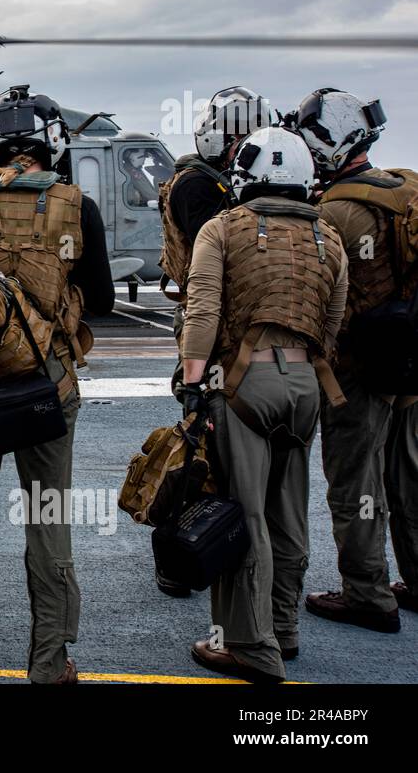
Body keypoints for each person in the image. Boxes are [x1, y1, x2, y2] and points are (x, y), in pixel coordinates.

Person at [0, 85, 114, 684]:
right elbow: (105, 301)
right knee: (48, 519)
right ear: (52, 143)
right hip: (47, 389)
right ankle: (49, 661)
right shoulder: (77, 206)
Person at [182, 127, 347, 683]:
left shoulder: (221, 228)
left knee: (242, 514)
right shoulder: (329, 236)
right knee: (290, 510)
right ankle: (285, 626)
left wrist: (191, 380)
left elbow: (202, 310)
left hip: (245, 384)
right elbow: (332, 321)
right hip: (306, 387)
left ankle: (250, 646)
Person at [297, 88, 418, 630]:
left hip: (357, 370)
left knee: (354, 483)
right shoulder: (408, 188)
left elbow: (320, 298)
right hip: (411, 359)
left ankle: (367, 593)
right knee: (409, 473)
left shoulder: (334, 213)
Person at [154, 85, 274, 597]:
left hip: (239, 333)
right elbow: (220, 261)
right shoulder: (197, 187)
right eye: (239, 137)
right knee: (195, 451)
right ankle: (178, 557)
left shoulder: (227, 185)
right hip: (208, 327)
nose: (245, 146)